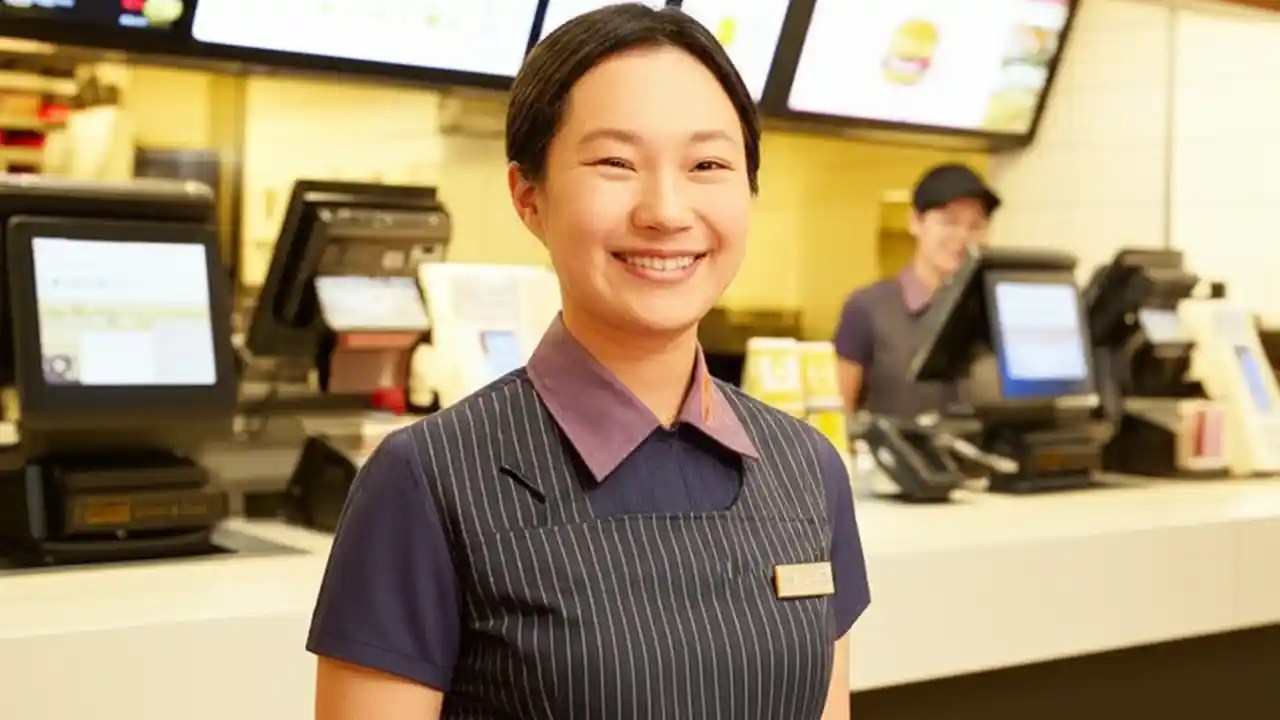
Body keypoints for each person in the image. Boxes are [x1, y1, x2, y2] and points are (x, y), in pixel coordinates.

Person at [307, 5, 871, 719]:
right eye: (615, 163)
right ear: (528, 196)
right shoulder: (426, 481)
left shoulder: (805, 469)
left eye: (708, 164)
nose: (665, 210)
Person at [834, 163, 1001, 418]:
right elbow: (839, 412)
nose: (963, 236)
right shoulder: (867, 307)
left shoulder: (991, 310)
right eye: (949, 221)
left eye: (975, 226)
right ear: (915, 222)